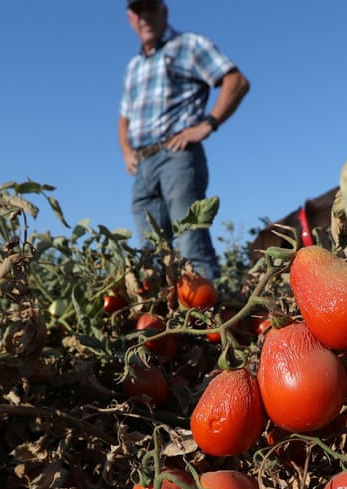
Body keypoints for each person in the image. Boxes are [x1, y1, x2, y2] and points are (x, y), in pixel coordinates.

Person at [118, 0, 249, 280]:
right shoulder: (134, 66)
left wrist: (207, 124)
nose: (145, 18)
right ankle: (162, 321)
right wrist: (126, 150)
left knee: (191, 244)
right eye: (138, 12)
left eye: (150, 9)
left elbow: (236, 81)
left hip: (176, 157)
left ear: (164, 11)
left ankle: (210, 320)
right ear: (131, 17)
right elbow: (123, 117)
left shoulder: (188, 45)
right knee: (150, 257)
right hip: (143, 166)